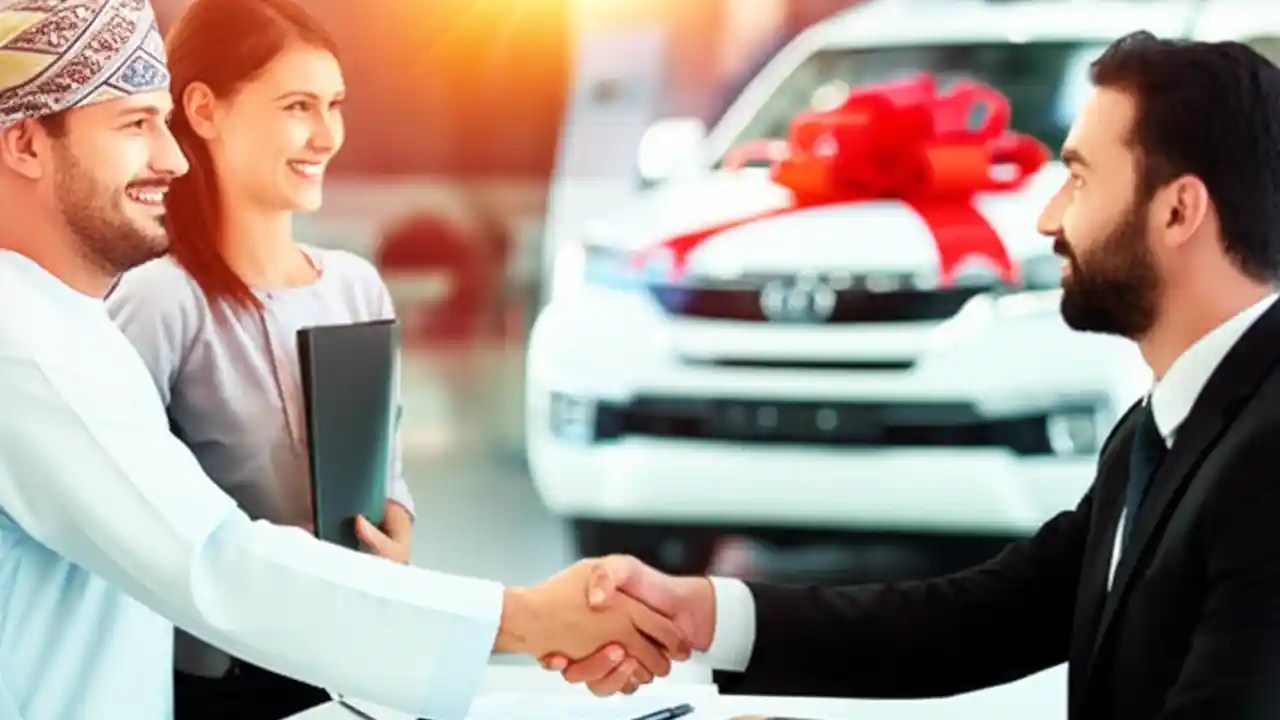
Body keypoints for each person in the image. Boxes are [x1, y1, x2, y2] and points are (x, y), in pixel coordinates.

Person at [546, 32, 1280, 718]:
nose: (1048, 217)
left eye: (1079, 180)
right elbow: (989, 616)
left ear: (1179, 210)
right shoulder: (1166, 425)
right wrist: (707, 614)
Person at [0, 1, 690, 718]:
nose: (172, 157)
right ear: (25, 145)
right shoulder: (27, 348)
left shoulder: (65, 327)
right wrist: (523, 618)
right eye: (135, 123)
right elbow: (214, 563)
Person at [101, 1, 414, 715]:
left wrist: (396, 524)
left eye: (334, 104)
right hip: (217, 684)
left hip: (352, 663)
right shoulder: (160, 300)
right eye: (297, 106)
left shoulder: (356, 286)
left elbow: (386, 469)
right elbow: (122, 511)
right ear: (204, 111)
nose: (326, 134)